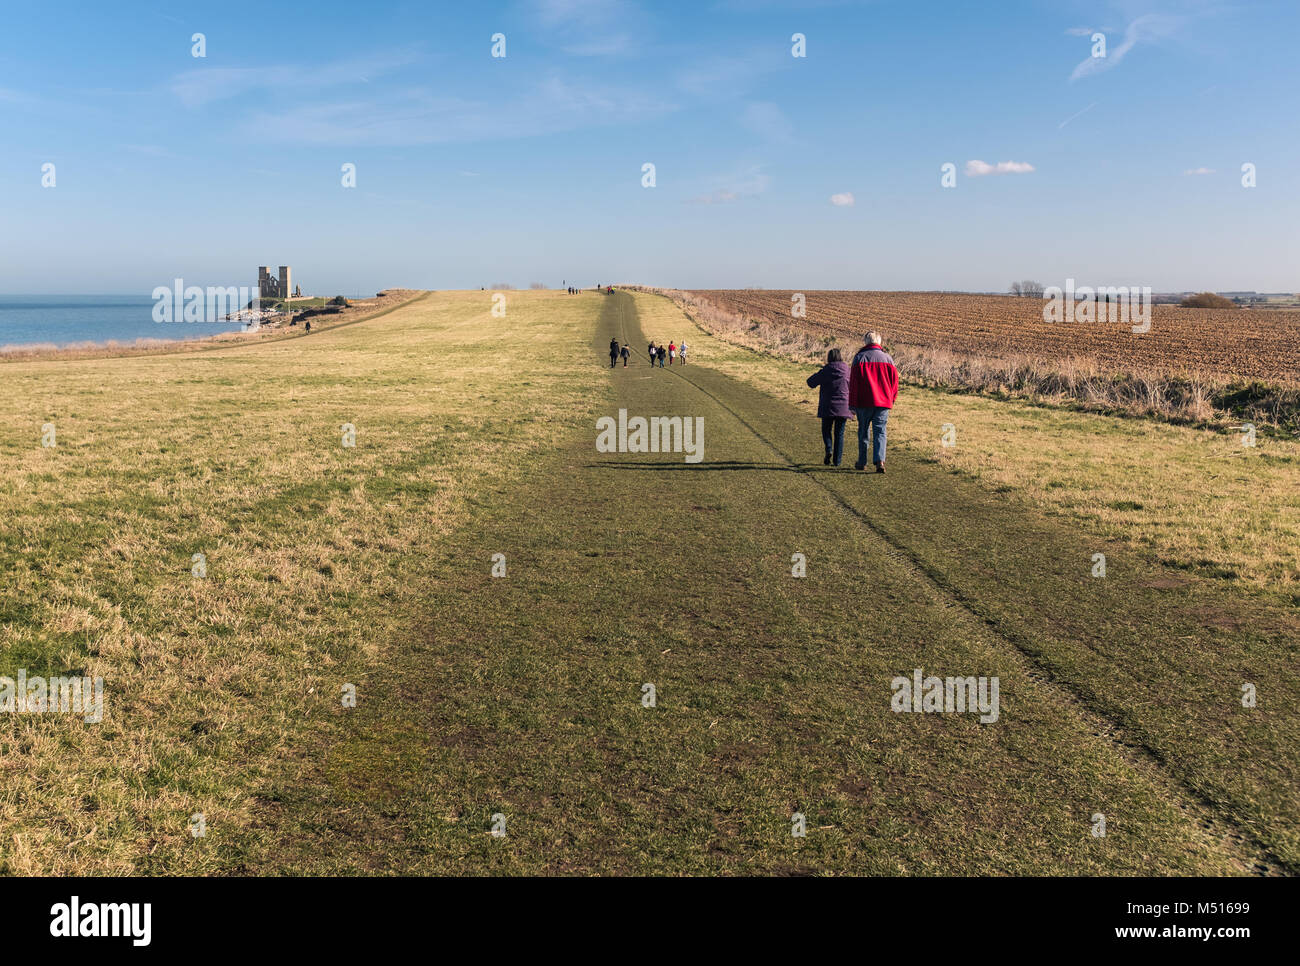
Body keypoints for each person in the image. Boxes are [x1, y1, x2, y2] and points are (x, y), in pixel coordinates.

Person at [848, 330, 900, 473]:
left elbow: (853, 384)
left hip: (863, 403)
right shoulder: (888, 359)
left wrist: (851, 404)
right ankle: (880, 461)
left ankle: (862, 461)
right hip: (883, 403)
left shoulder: (859, 358)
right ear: (879, 342)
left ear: (865, 341)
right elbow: (894, 383)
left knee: (863, 432)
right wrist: (892, 399)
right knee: (881, 432)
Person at [807, 348, 852, 466]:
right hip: (844, 407)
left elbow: (810, 382)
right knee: (839, 434)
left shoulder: (826, 370)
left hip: (828, 406)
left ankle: (829, 449)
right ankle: (837, 461)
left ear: (829, 358)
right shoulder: (848, 370)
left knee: (826, 430)